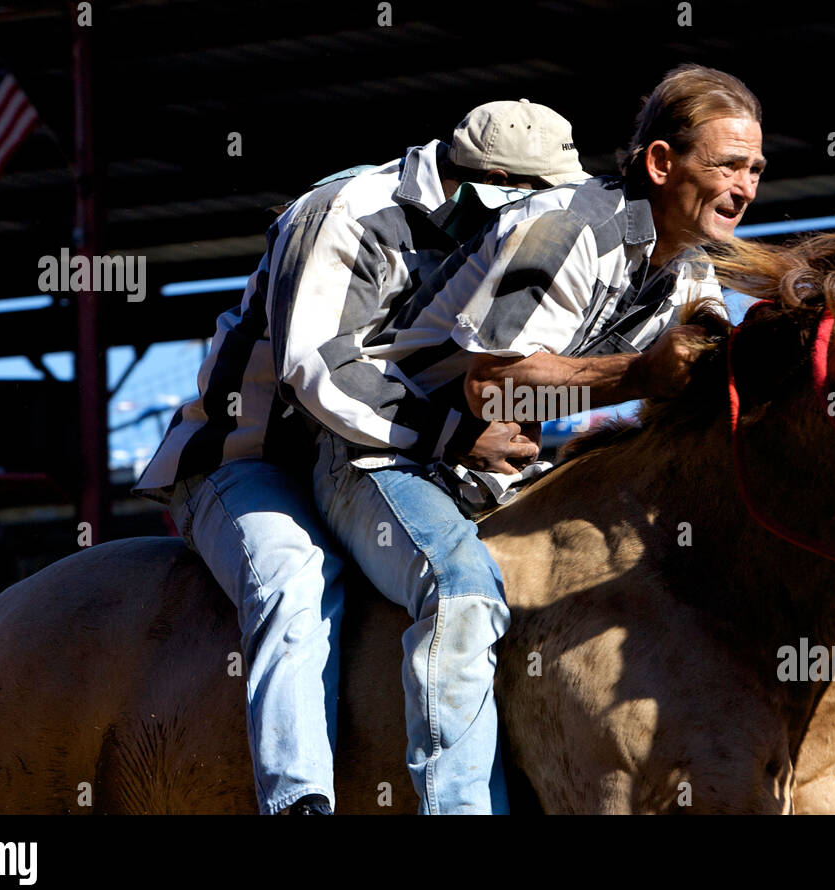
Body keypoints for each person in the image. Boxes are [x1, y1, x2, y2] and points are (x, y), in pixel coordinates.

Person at [302, 64, 765, 814]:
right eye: (727, 165)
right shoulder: (569, 225)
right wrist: (643, 372)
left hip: (488, 476)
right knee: (461, 590)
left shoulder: (690, 265)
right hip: (388, 453)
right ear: (660, 163)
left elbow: (706, 359)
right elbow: (497, 388)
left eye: (754, 169)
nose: (744, 187)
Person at [133, 98, 588, 815]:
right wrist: (462, 435)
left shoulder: (486, 239)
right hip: (250, 457)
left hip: (386, 465)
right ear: (497, 180)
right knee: (295, 573)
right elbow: (319, 374)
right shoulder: (344, 211)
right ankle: (298, 802)